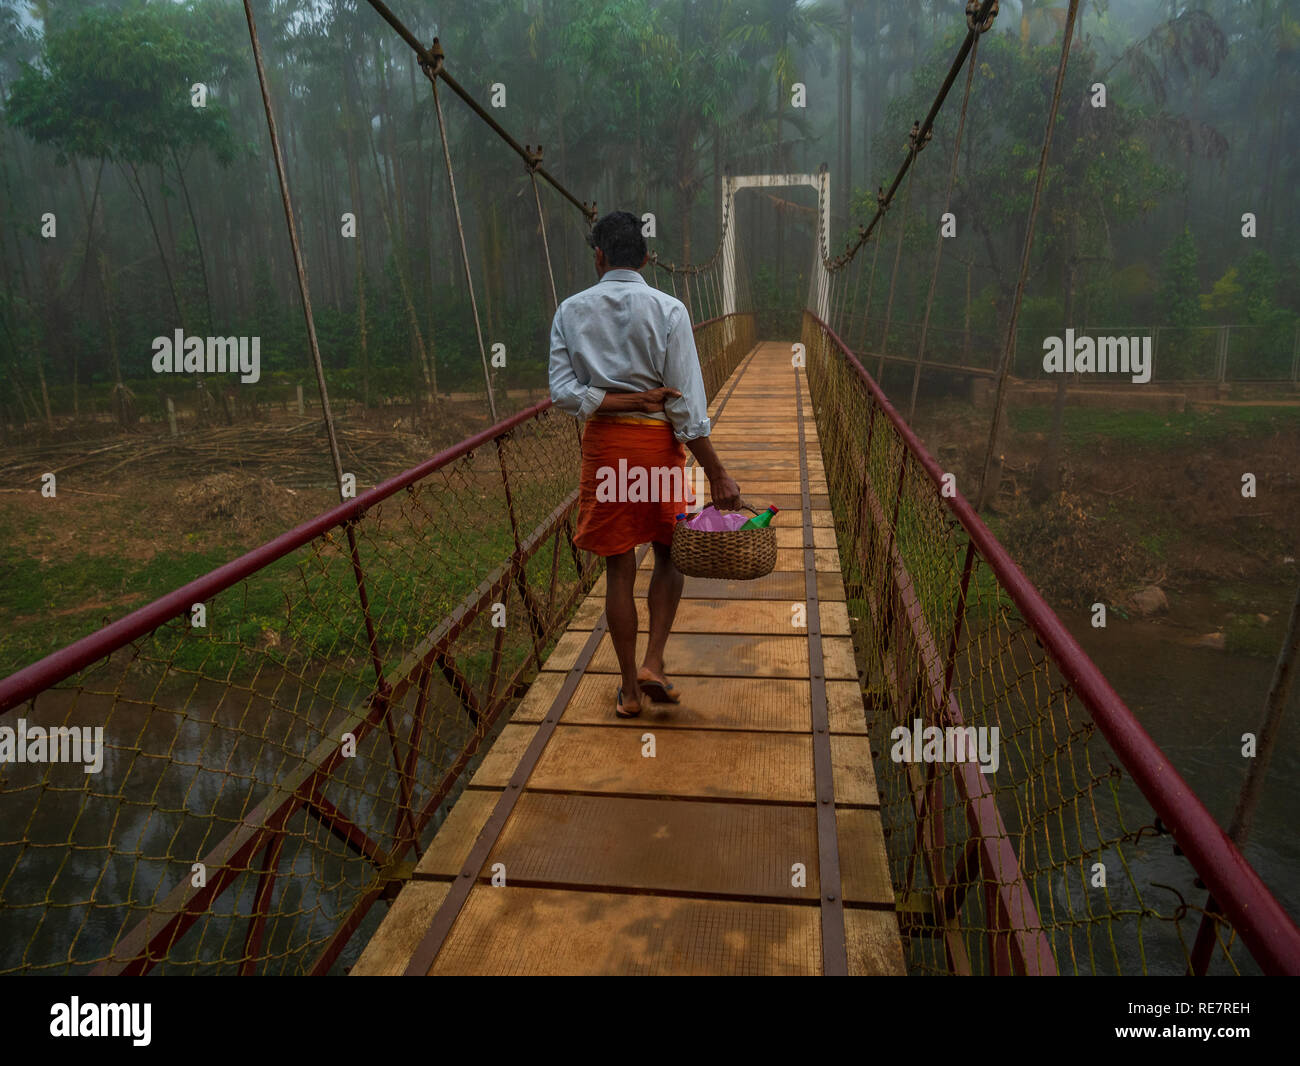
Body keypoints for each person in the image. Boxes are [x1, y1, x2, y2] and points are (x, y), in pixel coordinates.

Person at [549, 210, 741, 718]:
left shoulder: (570, 311)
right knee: (668, 554)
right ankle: (655, 661)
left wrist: (613, 402)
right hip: (657, 449)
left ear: (599, 256)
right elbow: (685, 408)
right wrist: (716, 470)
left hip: (607, 449)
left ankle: (630, 690)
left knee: (618, 567)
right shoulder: (671, 310)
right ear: (648, 259)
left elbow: (563, 394)